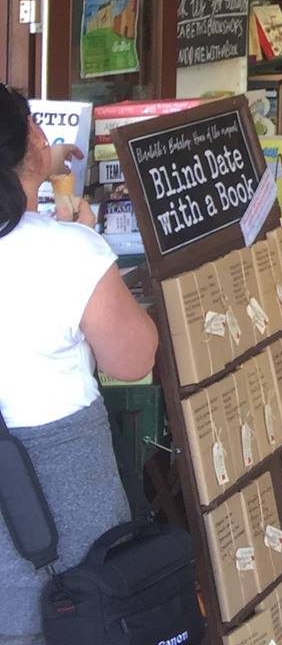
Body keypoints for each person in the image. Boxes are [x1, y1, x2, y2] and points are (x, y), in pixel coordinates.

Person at [0, 85, 159, 645]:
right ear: (30, 142)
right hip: (62, 495)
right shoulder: (68, 250)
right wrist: (91, 251)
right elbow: (134, 358)